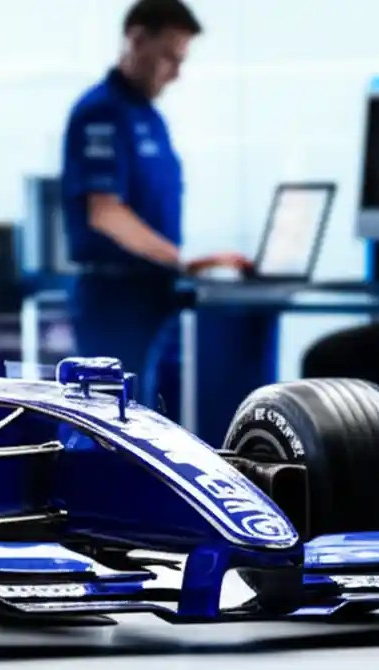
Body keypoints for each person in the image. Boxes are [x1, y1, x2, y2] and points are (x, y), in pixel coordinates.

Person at [60, 0, 252, 418]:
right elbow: (105, 212)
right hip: (114, 298)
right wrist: (180, 261)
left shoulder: (148, 117)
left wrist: (191, 265)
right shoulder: (102, 113)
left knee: (150, 419)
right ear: (136, 39)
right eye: (169, 58)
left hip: (152, 293)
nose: (176, 73)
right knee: (114, 424)